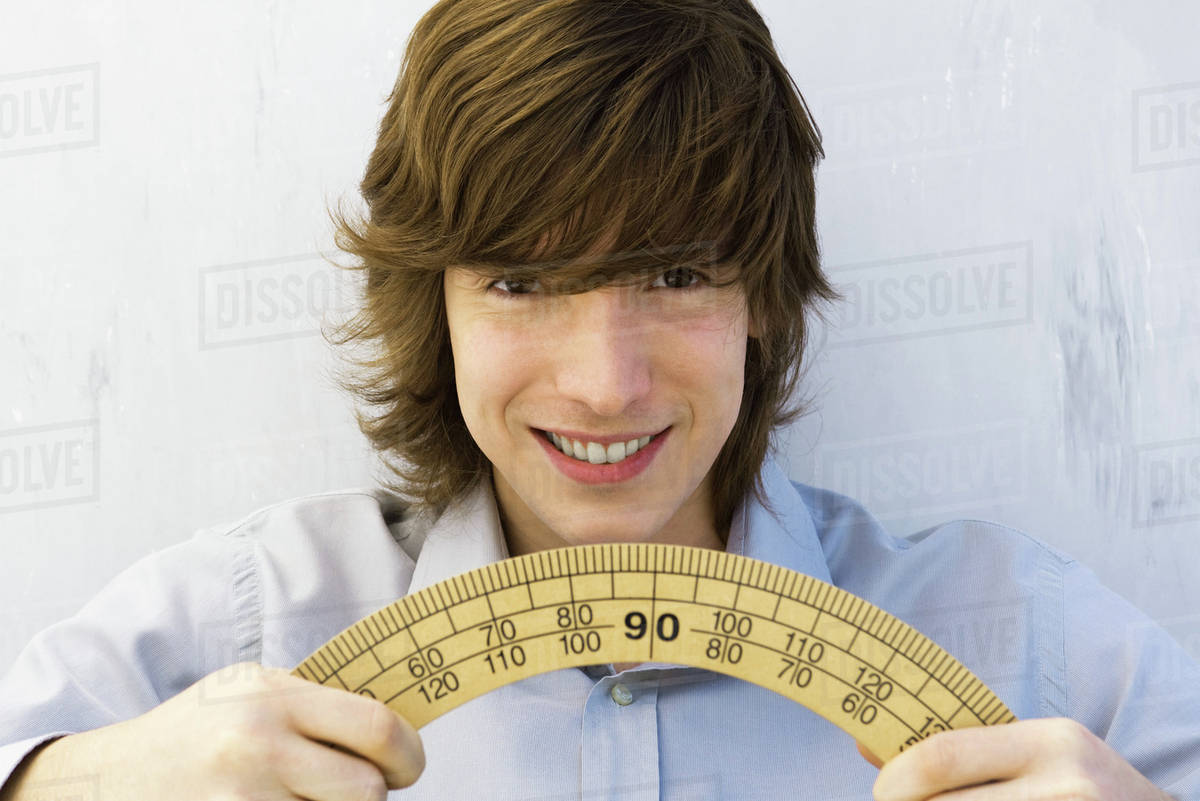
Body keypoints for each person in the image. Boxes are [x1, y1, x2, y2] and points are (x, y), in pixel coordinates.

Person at [3, 0, 1199, 799]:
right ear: (438, 310)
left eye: (676, 275)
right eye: (523, 280)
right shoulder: (243, 626)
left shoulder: (1023, 639)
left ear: (765, 302)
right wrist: (73, 784)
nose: (605, 382)